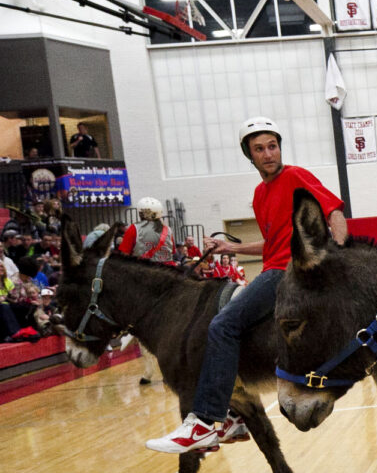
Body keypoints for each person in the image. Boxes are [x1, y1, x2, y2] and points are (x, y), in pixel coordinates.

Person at [146, 116, 347, 453]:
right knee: (231, 326)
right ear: (249, 155)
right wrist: (230, 246)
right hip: (272, 269)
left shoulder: (296, 176)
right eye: (260, 149)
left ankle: (205, 421)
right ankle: (236, 417)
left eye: (273, 146)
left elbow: (335, 214)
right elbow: (272, 243)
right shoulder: (259, 194)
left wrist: (337, 256)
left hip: (287, 273)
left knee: (221, 325)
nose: (268, 154)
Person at [117, 197, 175, 384]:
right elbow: (172, 254)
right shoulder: (167, 230)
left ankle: (148, 371)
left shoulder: (133, 229)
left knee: (140, 327)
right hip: (168, 282)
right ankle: (169, 370)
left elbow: (123, 257)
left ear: (141, 213)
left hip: (143, 284)